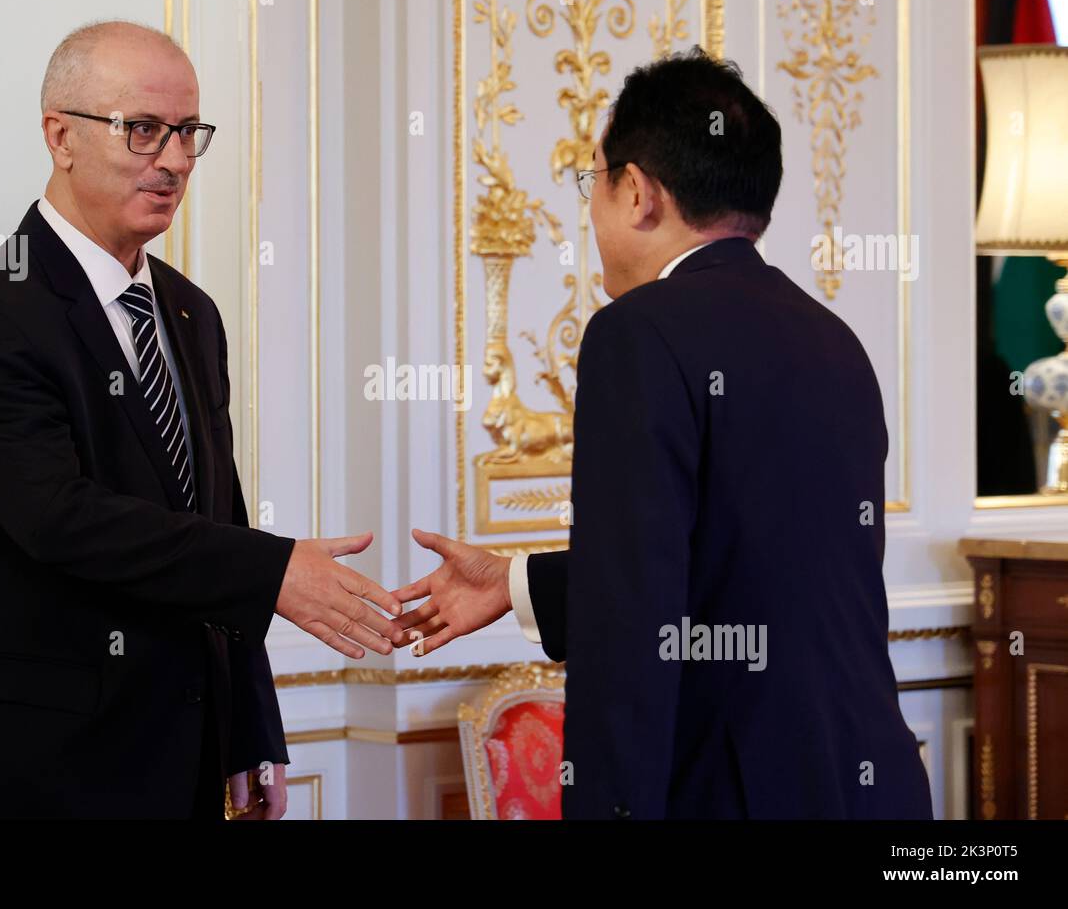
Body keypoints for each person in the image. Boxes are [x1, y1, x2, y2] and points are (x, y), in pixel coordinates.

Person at [0, 21, 405, 819]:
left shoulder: (192, 312)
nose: (175, 161)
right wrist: (273, 571)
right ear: (60, 135)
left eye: (189, 132)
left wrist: (251, 728)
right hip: (24, 771)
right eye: (143, 131)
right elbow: (63, 522)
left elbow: (216, 515)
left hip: (177, 760)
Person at [394, 47, 933, 819]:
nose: (594, 209)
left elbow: (633, 642)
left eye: (596, 183)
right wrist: (518, 584)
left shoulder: (637, 334)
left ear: (638, 192)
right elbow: (742, 571)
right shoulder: (833, 339)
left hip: (729, 793)